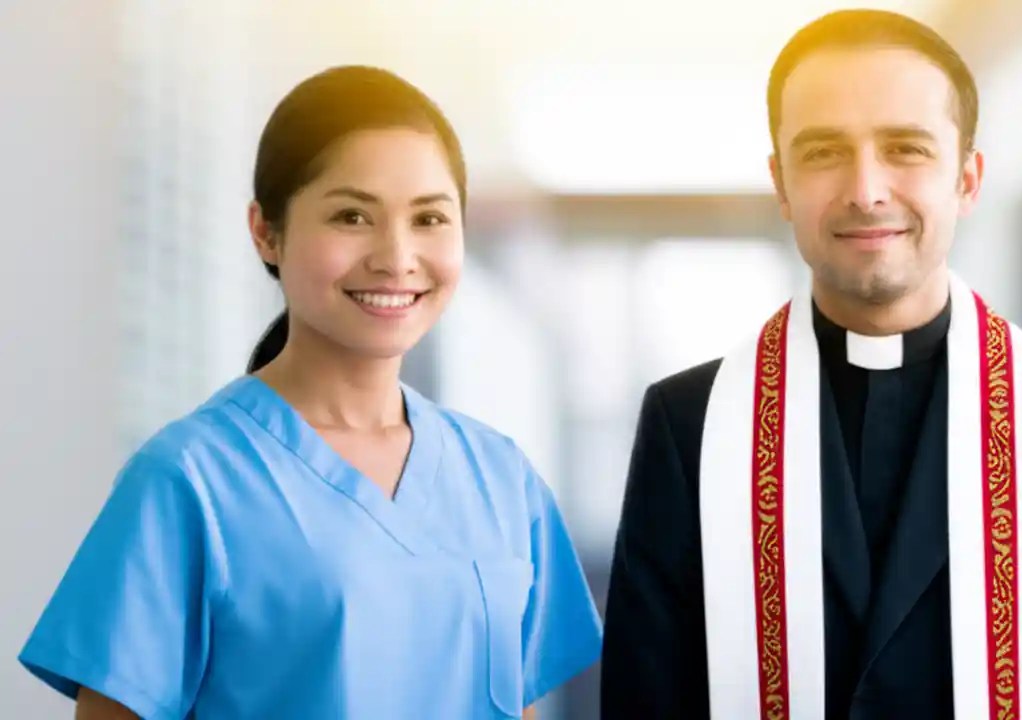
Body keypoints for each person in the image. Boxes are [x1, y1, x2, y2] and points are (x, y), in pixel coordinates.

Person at [601, 10, 1022, 719]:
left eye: (905, 148)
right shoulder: (689, 425)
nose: (867, 189)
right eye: (823, 153)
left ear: (967, 179)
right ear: (781, 183)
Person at [19, 65, 601, 719]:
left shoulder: (500, 477)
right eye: (353, 215)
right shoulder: (188, 479)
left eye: (430, 217)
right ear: (266, 230)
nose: (396, 255)